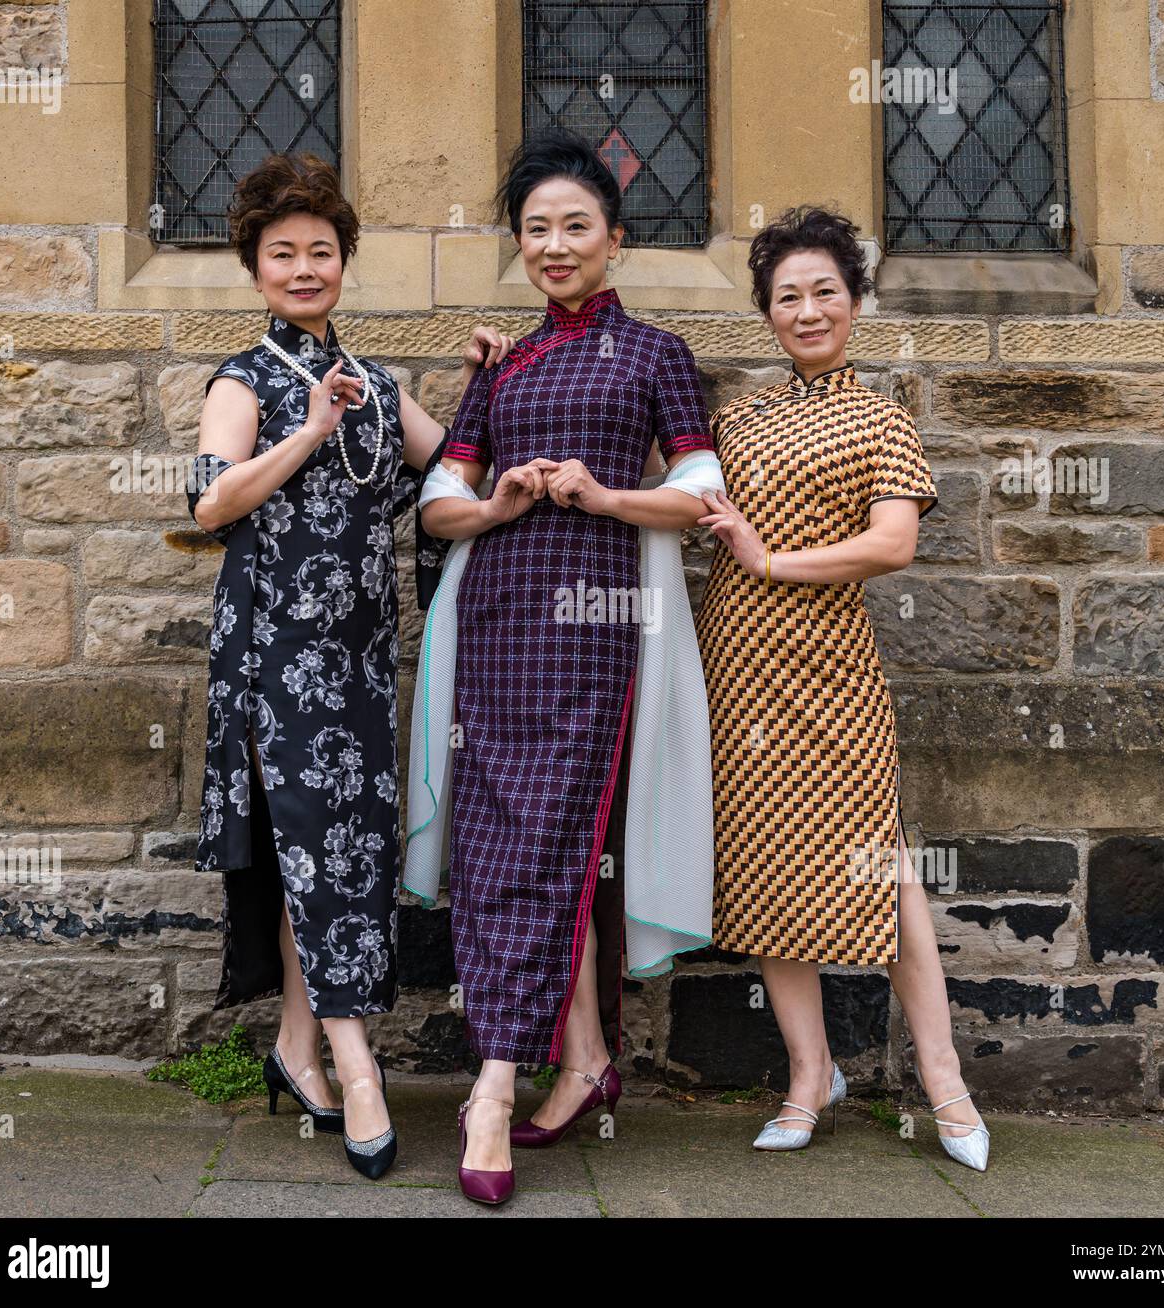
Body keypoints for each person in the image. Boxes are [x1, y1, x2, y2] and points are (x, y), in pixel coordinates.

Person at [405, 128, 725, 1205]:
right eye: (535, 228)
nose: (554, 244)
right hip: (496, 621)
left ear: (614, 241)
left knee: (548, 842)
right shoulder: (500, 365)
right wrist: (494, 502)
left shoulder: (656, 357)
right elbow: (440, 503)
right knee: (505, 844)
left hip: (595, 629)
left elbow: (700, 498)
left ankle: (492, 1085)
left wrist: (602, 495)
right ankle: (583, 1064)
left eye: (574, 226)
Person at [185, 151, 512, 1180]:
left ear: (342, 261)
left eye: (320, 251)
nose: (303, 268)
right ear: (255, 267)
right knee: (315, 851)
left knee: (340, 856)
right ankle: (355, 1064)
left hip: (365, 660)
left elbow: (452, 464)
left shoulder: (375, 384)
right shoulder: (242, 380)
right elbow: (209, 500)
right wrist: (310, 432)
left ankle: (296, 1043)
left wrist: (484, 383)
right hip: (276, 659)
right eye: (282, 252)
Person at [693, 205, 990, 1171]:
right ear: (767, 312)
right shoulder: (736, 417)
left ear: (855, 300)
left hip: (831, 675)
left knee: (886, 874)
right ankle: (808, 1076)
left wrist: (771, 560)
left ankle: (945, 1082)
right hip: (737, 668)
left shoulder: (880, 416)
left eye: (825, 291)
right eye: (788, 297)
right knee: (773, 868)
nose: (808, 310)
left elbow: (893, 542)